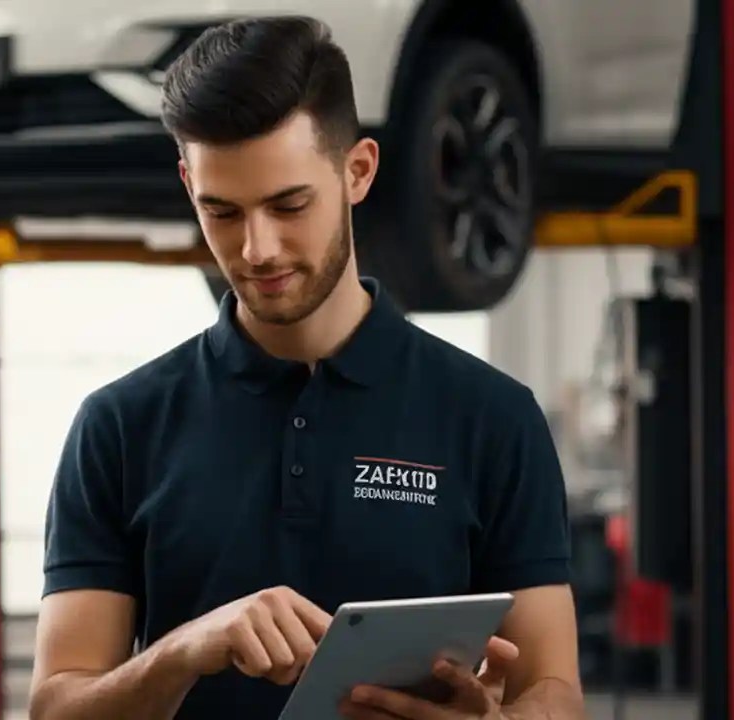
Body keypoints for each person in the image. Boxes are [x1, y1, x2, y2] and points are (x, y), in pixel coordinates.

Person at [29, 15, 585, 720]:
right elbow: (56, 708)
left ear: (358, 172)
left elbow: (555, 690)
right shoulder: (119, 426)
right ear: (186, 183)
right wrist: (183, 650)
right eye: (221, 211)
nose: (256, 248)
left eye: (289, 205)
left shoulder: (493, 417)